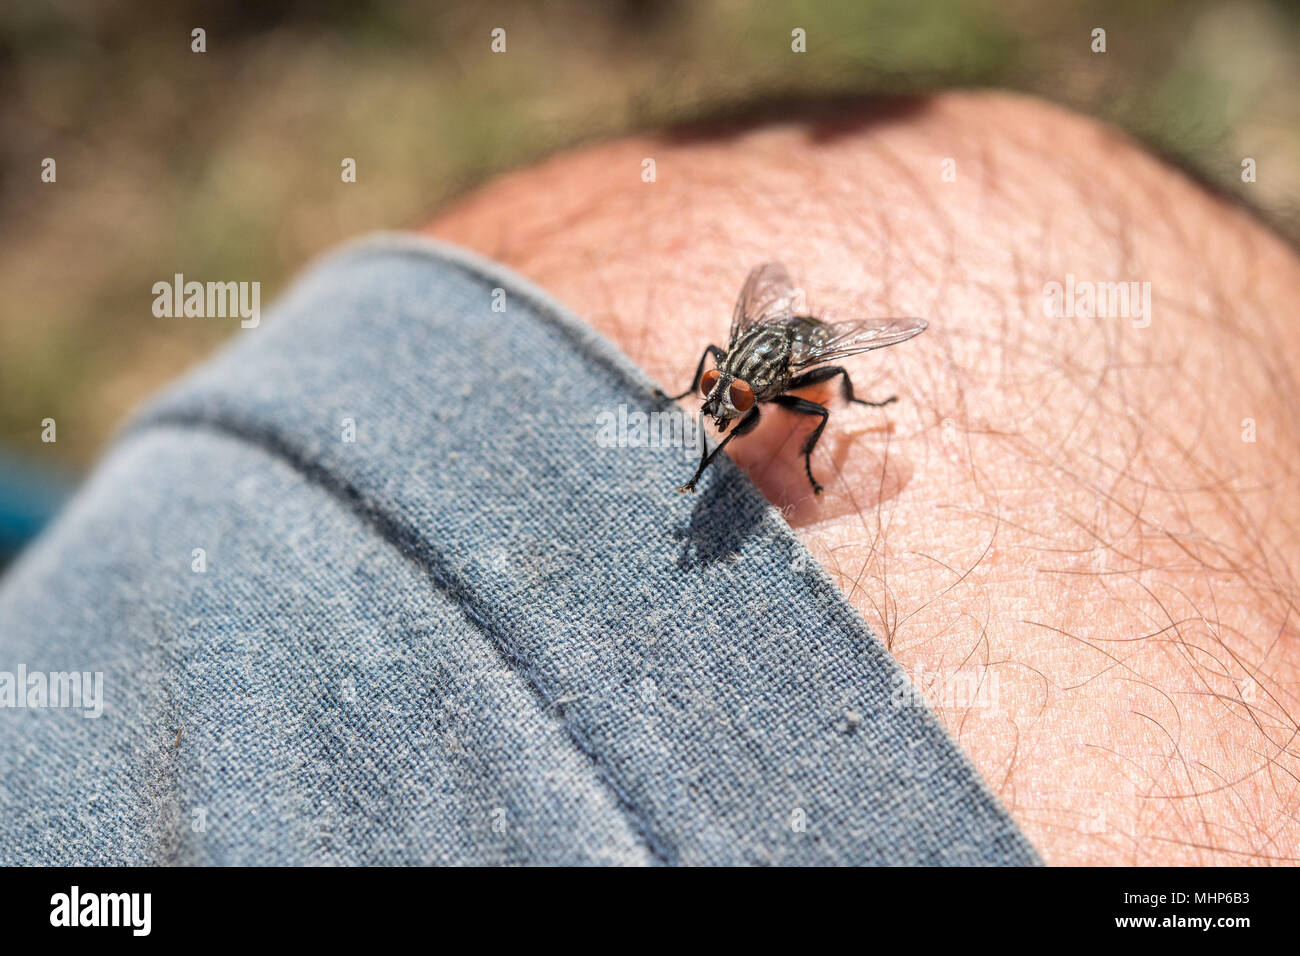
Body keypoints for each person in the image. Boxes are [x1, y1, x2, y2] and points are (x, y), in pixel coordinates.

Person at [1, 92, 1295, 865]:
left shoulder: (795, 383)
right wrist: (706, 399)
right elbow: (747, 329)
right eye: (727, 392)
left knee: (823, 408)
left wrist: (803, 432)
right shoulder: (733, 362)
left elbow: (807, 362)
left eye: (736, 396)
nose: (732, 404)